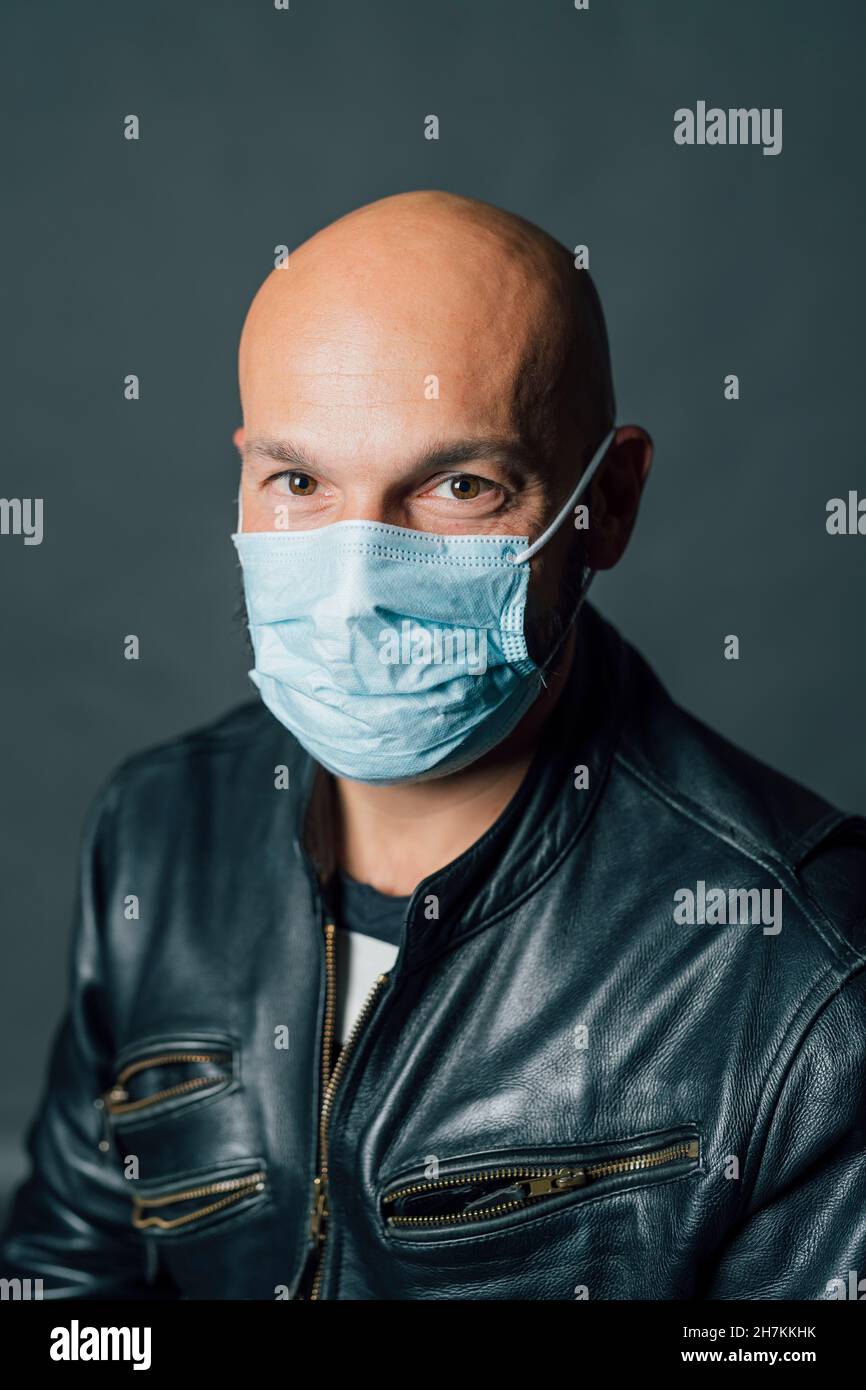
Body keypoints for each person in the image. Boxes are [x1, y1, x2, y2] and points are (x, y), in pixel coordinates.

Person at [2, 190, 864, 1301]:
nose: (355, 588)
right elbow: (72, 1282)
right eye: (301, 481)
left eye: (458, 485)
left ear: (606, 500)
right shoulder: (162, 829)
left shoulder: (802, 973)